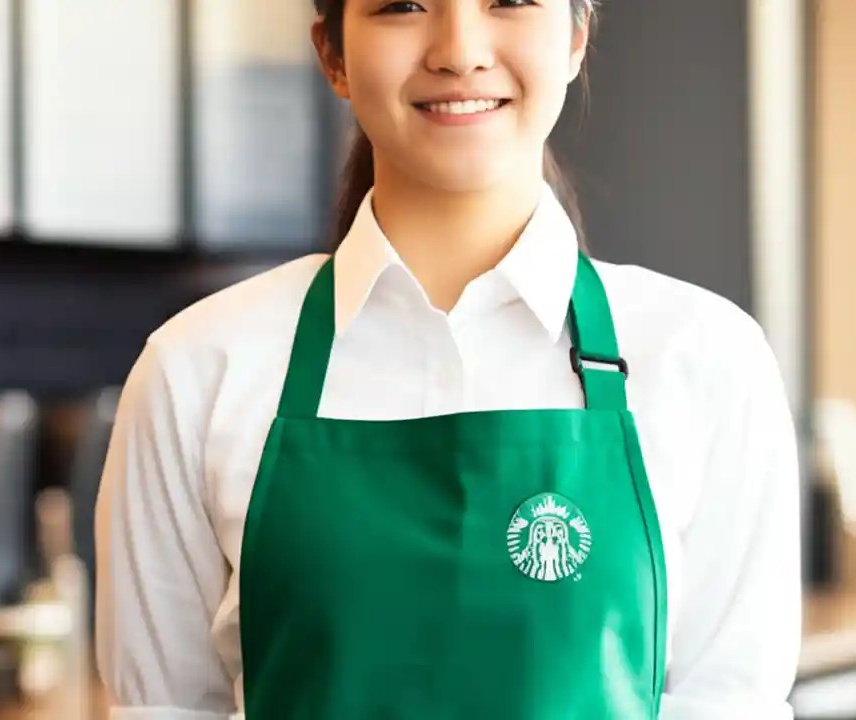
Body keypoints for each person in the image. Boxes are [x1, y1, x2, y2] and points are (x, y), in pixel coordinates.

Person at [94, 0, 802, 717]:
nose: (459, 50)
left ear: (577, 36)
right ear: (332, 54)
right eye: (402, 5)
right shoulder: (194, 372)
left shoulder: (708, 362)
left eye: (510, 2)